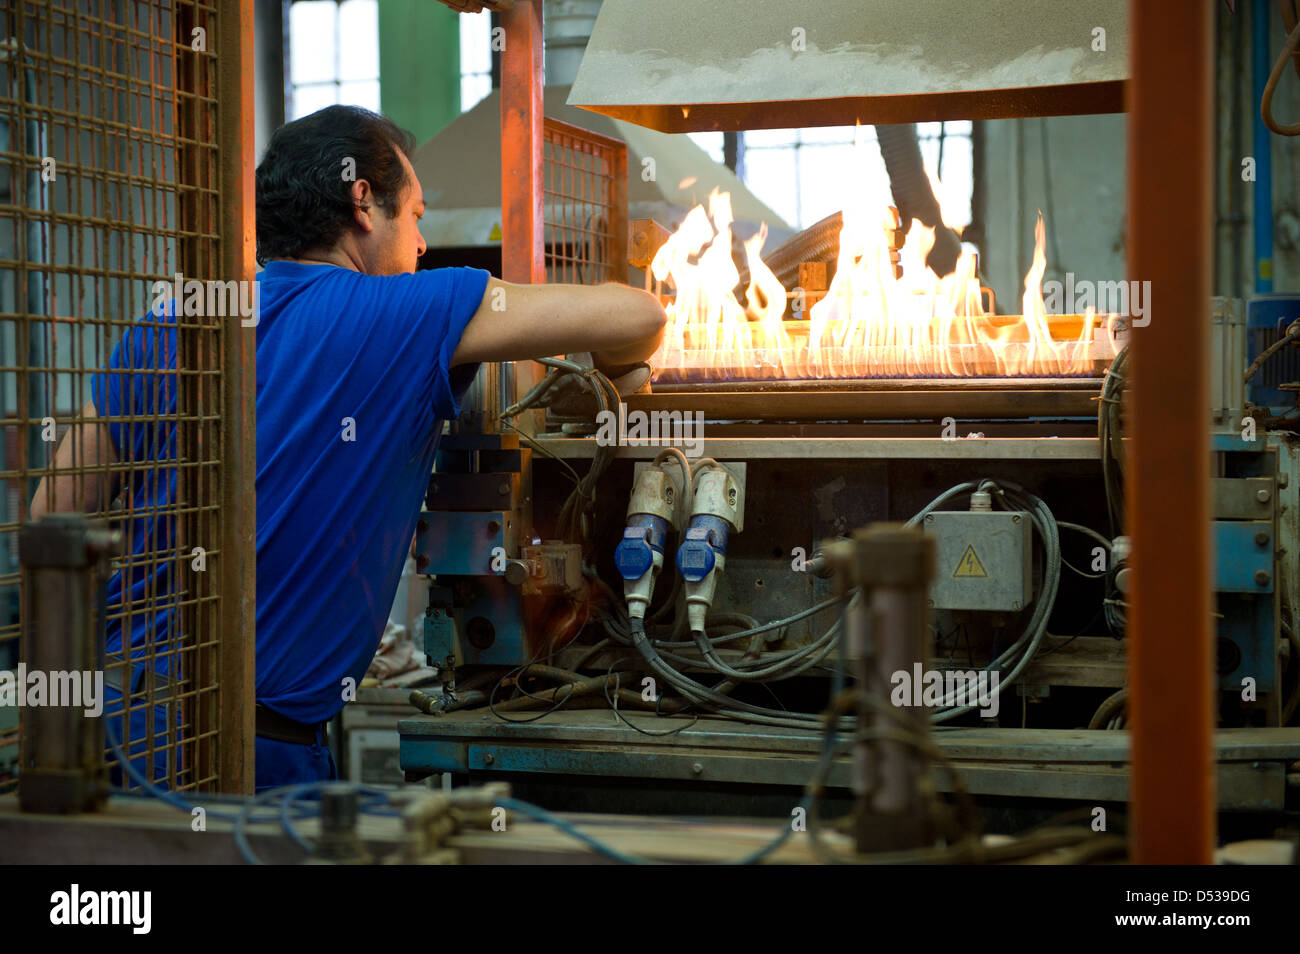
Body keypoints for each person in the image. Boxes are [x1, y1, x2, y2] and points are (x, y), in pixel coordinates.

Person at [30, 104, 666, 791]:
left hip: (107, 727)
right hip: (248, 757)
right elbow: (640, 314)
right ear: (363, 200)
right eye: (417, 216)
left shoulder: (178, 319)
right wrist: (621, 365)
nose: (422, 245)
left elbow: (51, 513)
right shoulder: (406, 313)